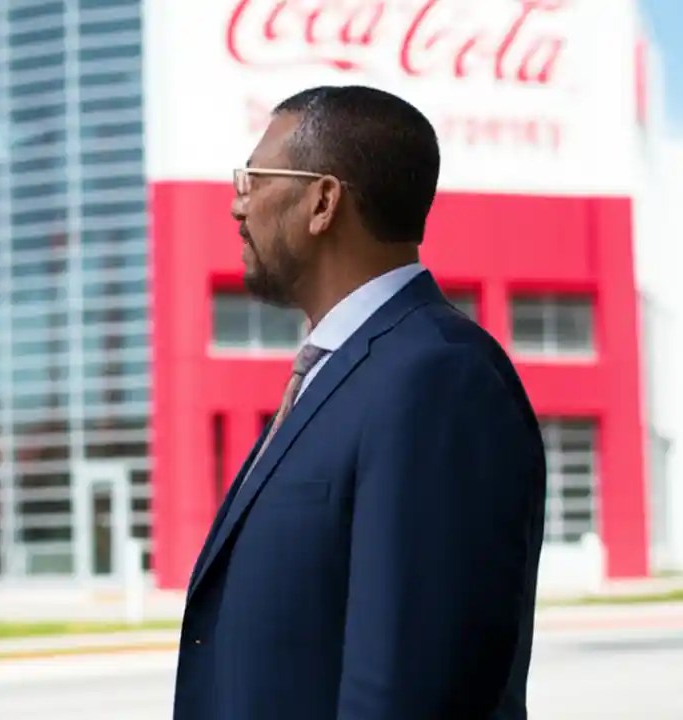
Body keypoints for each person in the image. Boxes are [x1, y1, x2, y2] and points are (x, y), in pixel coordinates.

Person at [172, 85, 546, 720]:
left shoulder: (436, 377)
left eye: (255, 179)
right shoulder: (340, 372)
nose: (239, 205)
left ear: (322, 200)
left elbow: (413, 690)